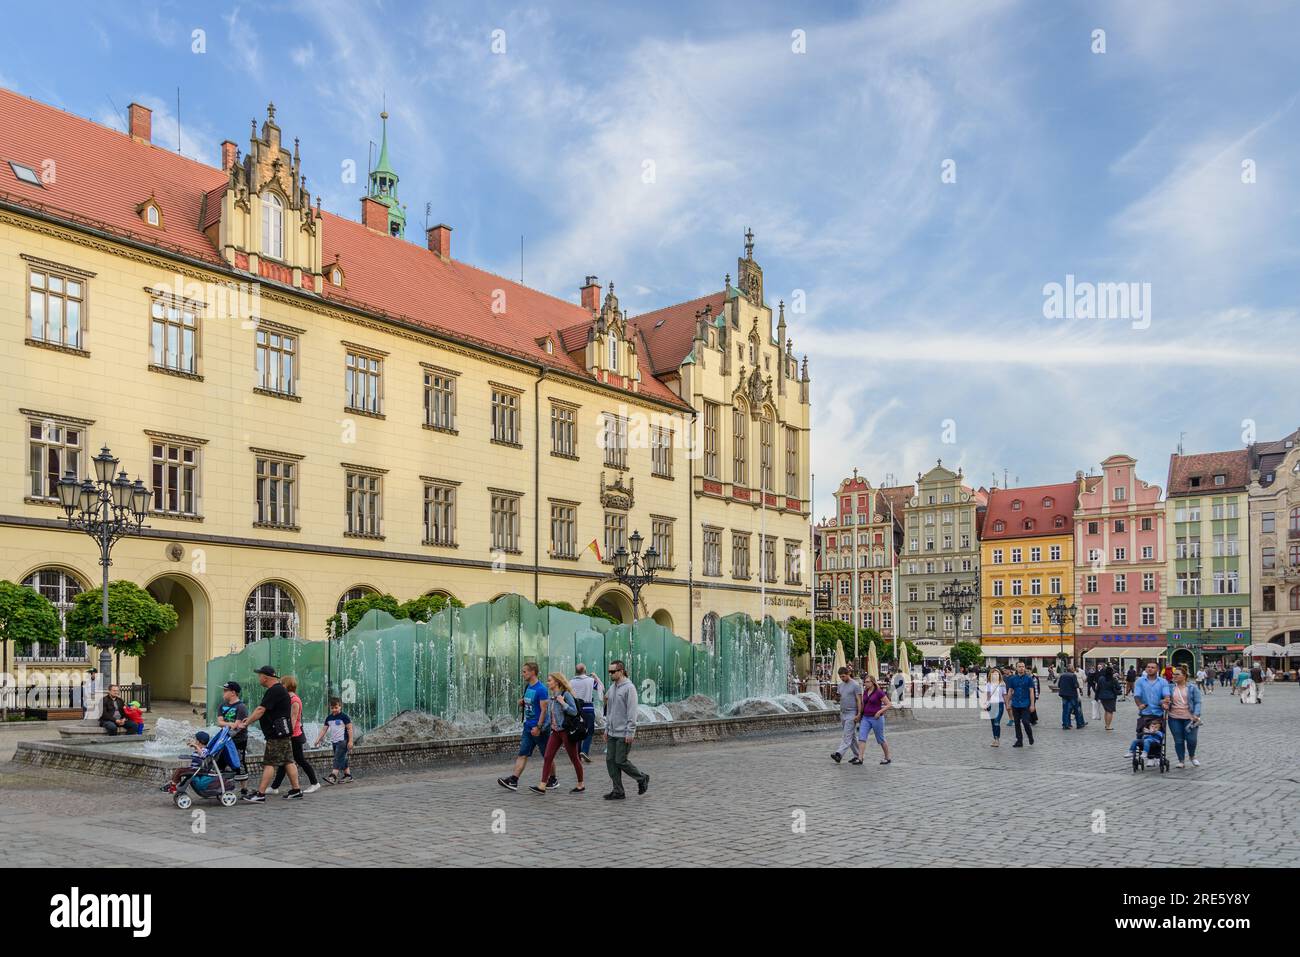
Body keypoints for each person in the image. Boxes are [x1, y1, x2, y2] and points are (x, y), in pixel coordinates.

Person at [237, 665, 301, 803]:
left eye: (259, 675)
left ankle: (260, 794)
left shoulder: (274, 690)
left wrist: (246, 723)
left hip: (276, 734)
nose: (258, 678)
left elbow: (261, 709)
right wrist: (248, 719)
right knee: (288, 761)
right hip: (283, 732)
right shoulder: (279, 689)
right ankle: (296, 790)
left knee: (269, 763)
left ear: (265, 677)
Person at [497, 661, 550, 792]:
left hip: (539, 728)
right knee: (522, 754)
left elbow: (544, 710)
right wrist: (522, 702)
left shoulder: (541, 689)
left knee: (547, 756)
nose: (523, 674)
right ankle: (514, 780)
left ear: (532, 672)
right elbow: (528, 702)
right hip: (528, 727)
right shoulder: (528, 687)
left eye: (524, 671)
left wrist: (538, 727)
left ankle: (553, 778)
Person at [532, 672, 584, 794]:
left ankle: (581, 783)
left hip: (566, 731)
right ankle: (542, 785)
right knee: (547, 757)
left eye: (550, 680)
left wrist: (563, 703)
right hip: (555, 732)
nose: (547, 682)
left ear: (557, 682)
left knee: (574, 758)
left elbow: (574, 712)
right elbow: (550, 718)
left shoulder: (565, 695)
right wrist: (541, 728)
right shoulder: (552, 697)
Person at [603, 659, 648, 800]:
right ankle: (618, 791)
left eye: (613, 671)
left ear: (621, 671)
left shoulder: (629, 688)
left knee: (621, 760)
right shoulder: (612, 688)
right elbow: (609, 711)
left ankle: (642, 778)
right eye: (609, 671)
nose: (610, 674)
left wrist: (630, 731)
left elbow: (632, 711)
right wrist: (606, 728)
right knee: (610, 760)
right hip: (612, 732)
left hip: (624, 732)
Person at [270, 675, 320, 795]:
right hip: (291, 734)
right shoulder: (288, 698)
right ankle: (274, 787)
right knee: (285, 761)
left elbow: (293, 719)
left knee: (299, 759)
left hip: (294, 735)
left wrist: (288, 734)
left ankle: (315, 783)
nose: (279, 686)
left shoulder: (294, 700)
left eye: (281, 684)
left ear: (286, 685)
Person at [1166, 667, 1203, 769]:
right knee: (1178, 740)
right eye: (1174, 674)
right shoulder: (1170, 687)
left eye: (1177, 674)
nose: (1174, 676)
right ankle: (1181, 760)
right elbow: (1164, 699)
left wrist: (1196, 714)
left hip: (1190, 718)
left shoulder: (1192, 687)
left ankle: (1192, 756)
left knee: (1191, 740)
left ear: (1184, 676)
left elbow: (1198, 702)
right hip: (1174, 718)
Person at [313, 697, 354, 784]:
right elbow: (324, 730)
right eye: (332, 708)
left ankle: (333, 776)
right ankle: (348, 776)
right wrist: (318, 739)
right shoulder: (329, 718)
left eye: (336, 707)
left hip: (343, 741)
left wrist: (350, 741)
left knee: (337, 758)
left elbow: (350, 729)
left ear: (340, 707)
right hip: (334, 742)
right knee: (342, 758)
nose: (334, 709)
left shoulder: (344, 717)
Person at [215, 681, 250, 781]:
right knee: (220, 760)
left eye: (226, 691)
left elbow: (236, 726)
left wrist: (229, 724)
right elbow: (219, 722)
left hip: (239, 740)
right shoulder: (222, 705)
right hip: (225, 738)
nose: (223, 693)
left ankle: (244, 789)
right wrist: (230, 724)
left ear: (233, 693)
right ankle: (220, 786)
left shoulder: (241, 707)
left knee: (240, 762)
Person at [569, 662, 602, 764]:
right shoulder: (590, 680)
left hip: (576, 709)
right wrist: (596, 676)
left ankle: (578, 754)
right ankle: (584, 751)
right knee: (589, 731)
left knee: (578, 730)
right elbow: (601, 687)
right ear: (585, 671)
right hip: (588, 708)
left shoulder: (570, 682)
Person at [855, 674, 892, 764]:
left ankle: (887, 757)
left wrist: (879, 712)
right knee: (862, 737)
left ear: (872, 682)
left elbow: (889, 704)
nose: (865, 683)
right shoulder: (865, 691)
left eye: (867, 682)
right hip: (866, 718)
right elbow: (864, 704)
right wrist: (859, 714)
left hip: (876, 718)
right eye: (865, 682)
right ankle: (860, 758)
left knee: (880, 739)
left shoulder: (879, 692)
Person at [831, 666, 863, 765]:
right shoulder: (840, 685)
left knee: (847, 735)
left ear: (848, 674)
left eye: (843, 676)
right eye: (840, 677)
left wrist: (859, 714)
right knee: (852, 736)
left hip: (852, 713)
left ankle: (839, 754)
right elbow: (838, 698)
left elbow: (859, 700)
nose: (842, 678)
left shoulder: (855, 685)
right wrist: (835, 697)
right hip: (843, 712)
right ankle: (858, 755)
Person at [1132, 661, 1171, 740]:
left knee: (1157, 736)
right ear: (1145, 669)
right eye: (1148, 667)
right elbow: (1137, 695)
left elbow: (1166, 695)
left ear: (1157, 669)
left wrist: (1165, 702)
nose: (1150, 669)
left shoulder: (1163, 682)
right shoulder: (1140, 681)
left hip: (1158, 714)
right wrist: (1139, 704)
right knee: (1142, 735)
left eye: (1153, 667)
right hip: (1145, 713)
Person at [1004, 661, 1036, 747]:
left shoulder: (1029, 678)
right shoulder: (1012, 679)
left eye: (1023, 666)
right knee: (1017, 723)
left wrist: (1032, 705)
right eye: (1019, 666)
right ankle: (1019, 741)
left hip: (1025, 704)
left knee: (1025, 722)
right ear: (1016, 668)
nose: (1021, 668)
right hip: (1015, 704)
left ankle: (1030, 736)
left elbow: (1031, 692)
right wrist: (1007, 703)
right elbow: (1010, 691)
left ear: (1024, 667)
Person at [1057, 664, 1085, 729]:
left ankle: (1066, 724)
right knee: (1076, 709)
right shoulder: (1073, 676)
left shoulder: (1062, 675)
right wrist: (1079, 695)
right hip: (1072, 695)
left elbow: (1059, 685)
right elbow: (1076, 686)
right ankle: (1079, 724)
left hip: (1064, 694)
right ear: (1072, 669)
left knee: (1065, 710)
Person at [983, 667, 1006, 747]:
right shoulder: (988, 684)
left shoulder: (1002, 684)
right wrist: (986, 704)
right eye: (993, 674)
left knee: (996, 721)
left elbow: (1004, 695)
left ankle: (997, 740)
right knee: (993, 723)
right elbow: (988, 696)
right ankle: (995, 738)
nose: (995, 675)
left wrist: (1007, 705)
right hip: (991, 705)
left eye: (997, 674)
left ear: (999, 675)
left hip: (999, 704)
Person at [1096, 665, 1120, 731]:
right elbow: (1118, 687)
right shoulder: (1113, 679)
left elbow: (1098, 688)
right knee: (1110, 711)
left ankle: (1106, 725)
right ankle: (1108, 726)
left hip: (1102, 696)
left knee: (1106, 710)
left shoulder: (1101, 678)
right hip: (1111, 697)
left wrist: (1096, 697)